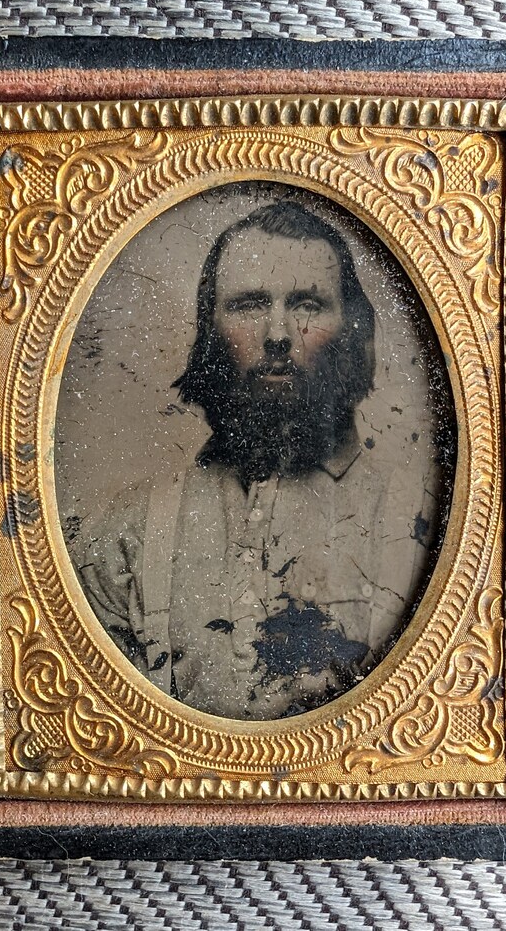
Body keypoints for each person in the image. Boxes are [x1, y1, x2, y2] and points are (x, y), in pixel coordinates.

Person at [79, 200, 435, 720]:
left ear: (350, 329)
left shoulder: (419, 526)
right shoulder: (128, 531)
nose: (277, 335)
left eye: (308, 304)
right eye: (248, 304)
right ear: (210, 331)